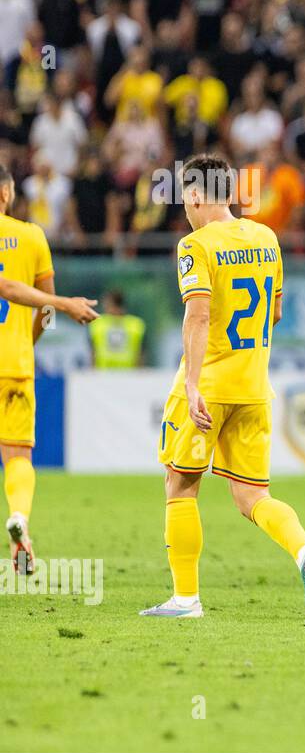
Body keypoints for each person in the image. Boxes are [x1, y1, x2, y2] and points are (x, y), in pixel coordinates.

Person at [144, 154, 305, 619]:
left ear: (192, 195)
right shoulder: (267, 238)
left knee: (180, 484)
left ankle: (186, 600)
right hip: (253, 386)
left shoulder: (195, 245)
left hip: (208, 385)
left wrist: (191, 385)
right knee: (253, 497)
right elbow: (276, 313)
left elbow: (200, 313)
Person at [0, 164, 99, 573]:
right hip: (16, 364)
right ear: (7, 193)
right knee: (18, 456)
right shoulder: (32, 235)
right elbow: (45, 306)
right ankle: (19, 518)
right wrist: (28, 341)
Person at [88, 289, 146, 368]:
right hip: (103, 374)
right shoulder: (136, 324)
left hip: (127, 374)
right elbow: (93, 351)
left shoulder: (98, 324)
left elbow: (140, 353)